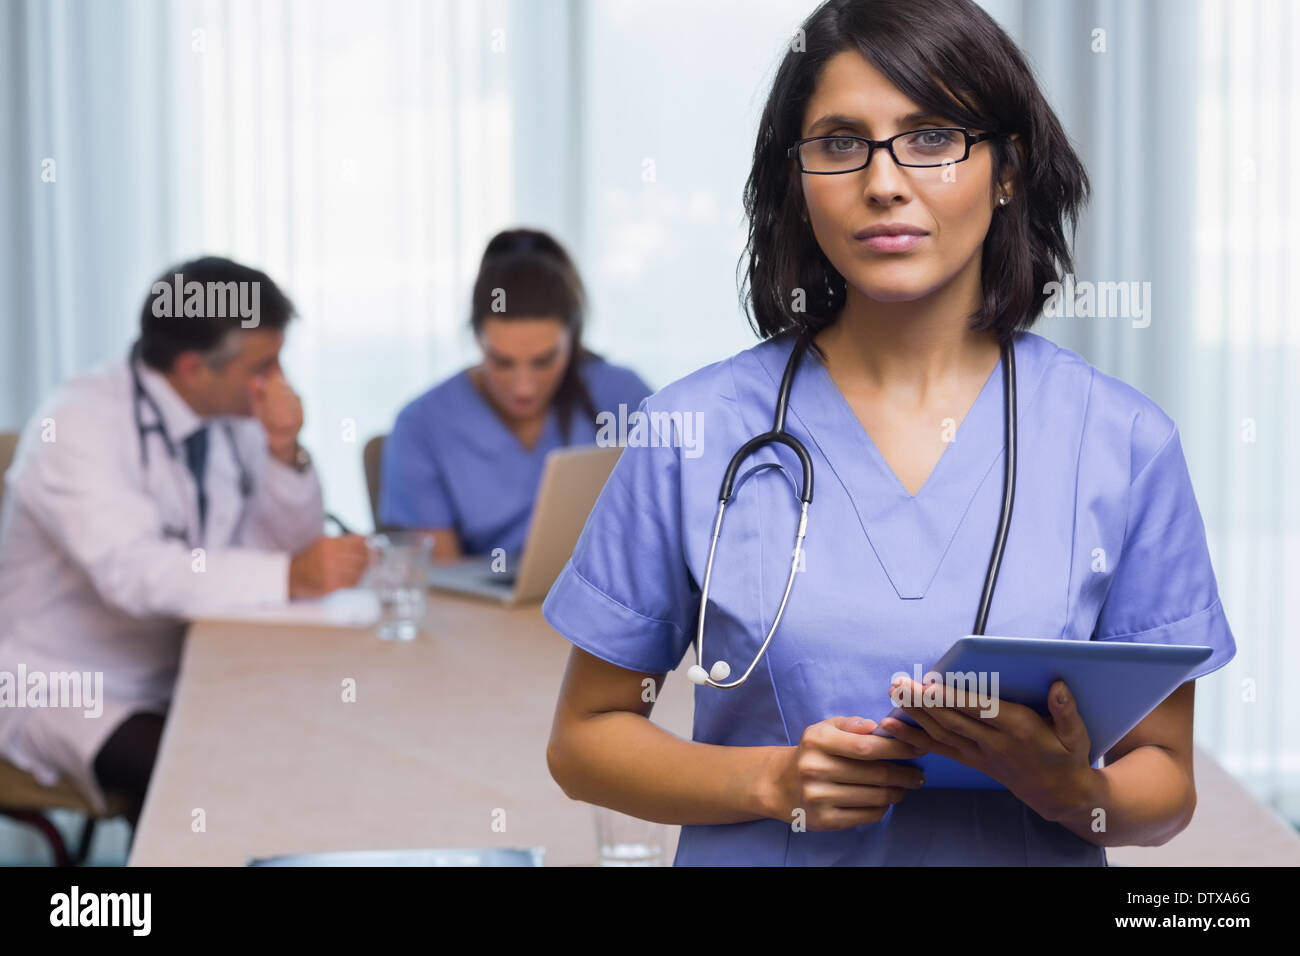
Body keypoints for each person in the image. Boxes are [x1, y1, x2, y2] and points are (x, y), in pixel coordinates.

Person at [541, 0, 1236, 866]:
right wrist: (772, 784)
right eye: (839, 143)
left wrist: (1075, 793)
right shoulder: (695, 432)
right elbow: (583, 740)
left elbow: (1164, 782)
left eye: (933, 136)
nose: (884, 181)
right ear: (797, 178)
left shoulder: (1123, 443)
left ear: (1008, 167)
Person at [0, 256, 369, 834]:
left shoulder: (231, 409)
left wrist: (283, 448)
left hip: (191, 660)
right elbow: (137, 574)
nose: (277, 382)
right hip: (70, 682)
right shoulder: (77, 425)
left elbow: (286, 552)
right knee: (209, 776)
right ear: (196, 368)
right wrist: (288, 575)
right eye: (264, 365)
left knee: (318, 739)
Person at [379, 228, 652, 561]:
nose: (524, 386)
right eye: (502, 362)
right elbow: (442, 580)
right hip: (485, 610)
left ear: (573, 339)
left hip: (608, 601)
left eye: (544, 360)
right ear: (478, 339)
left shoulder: (622, 396)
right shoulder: (421, 426)